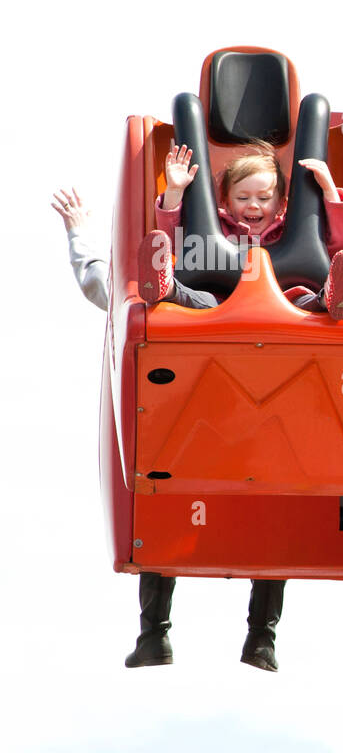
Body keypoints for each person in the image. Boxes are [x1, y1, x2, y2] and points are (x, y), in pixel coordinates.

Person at [53, 186, 287, 671]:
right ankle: (221, 638)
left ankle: (221, 637)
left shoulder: (267, 276)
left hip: (207, 417)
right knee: (260, 524)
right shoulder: (192, 298)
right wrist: (80, 232)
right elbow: (101, 282)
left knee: (178, 515)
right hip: (220, 412)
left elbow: (98, 281)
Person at [143, 140, 343, 319]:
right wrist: (174, 191)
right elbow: (179, 240)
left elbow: (336, 239)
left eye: (264, 198)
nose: (253, 204)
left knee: (303, 300)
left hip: (284, 301)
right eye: (242, 198)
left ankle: (329, 297)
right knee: (198, 299)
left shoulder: (291, 230)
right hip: (223, 302)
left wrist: (329, 191)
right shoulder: (216, 227)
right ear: (226, 203)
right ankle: (166, 288)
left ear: (282, 205)